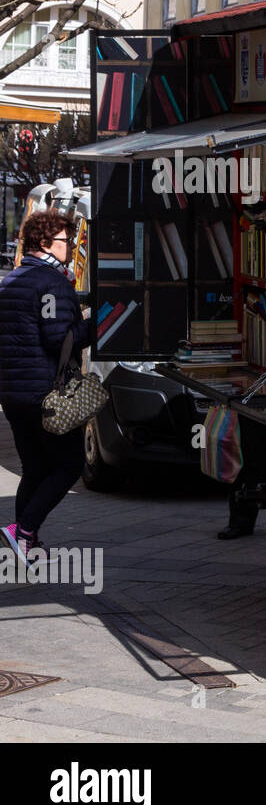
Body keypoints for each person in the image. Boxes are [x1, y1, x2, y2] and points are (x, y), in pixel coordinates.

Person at [0, 209, 92, 564]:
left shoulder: (11, 280)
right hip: (46, 395)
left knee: (35, 468)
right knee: (68, 466)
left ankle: (26, 544)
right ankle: (22, 531)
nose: (71, 247)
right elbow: (60, 341)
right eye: (66, 241)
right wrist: (92, 324)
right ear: (45, 243)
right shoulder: (50, 284)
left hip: (14, 393)